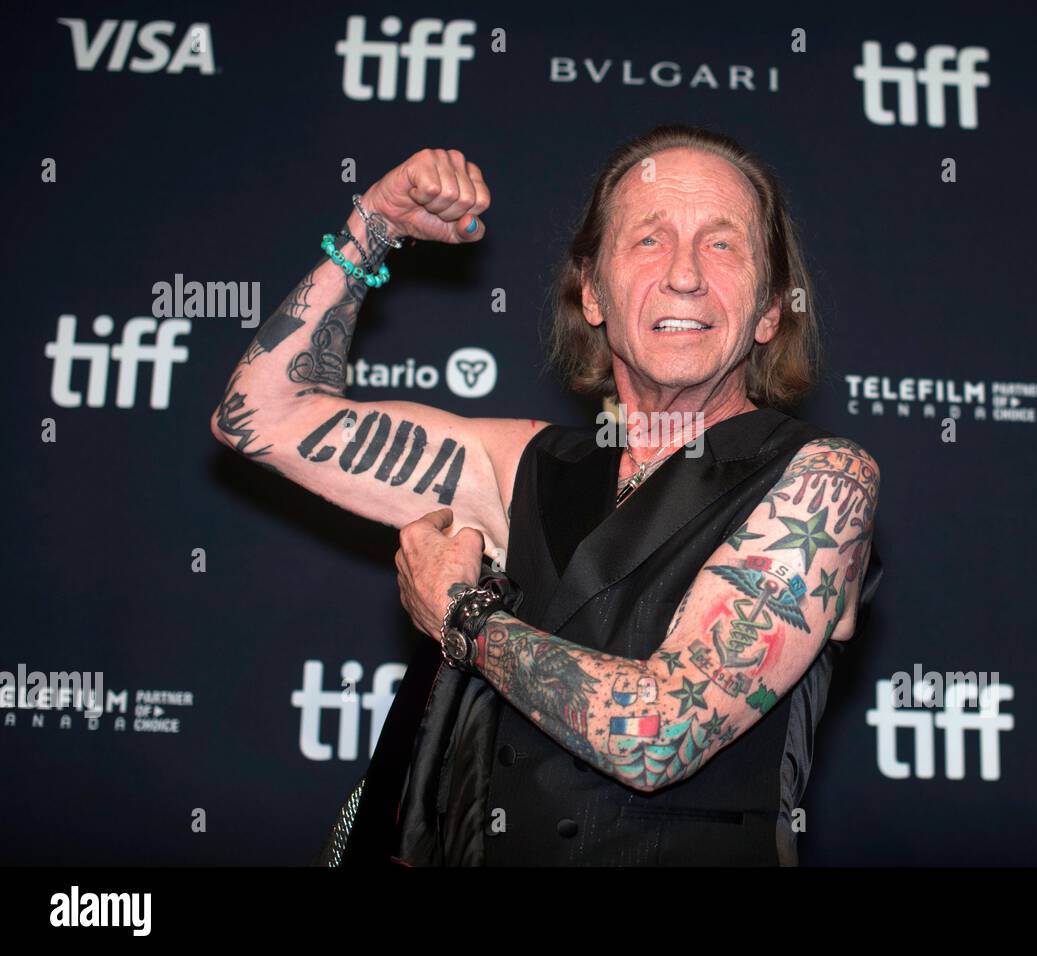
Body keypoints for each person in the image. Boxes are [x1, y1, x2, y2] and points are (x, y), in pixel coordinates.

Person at [211, 123, 882, 866]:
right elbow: (260, 417)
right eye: (648, 240)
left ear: (768, 309)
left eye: (723, 244)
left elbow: (658, 736)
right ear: (591, 293)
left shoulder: (823, 478)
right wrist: (372, 228)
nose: (685, 274)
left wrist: (463, 619)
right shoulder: (525, 466)